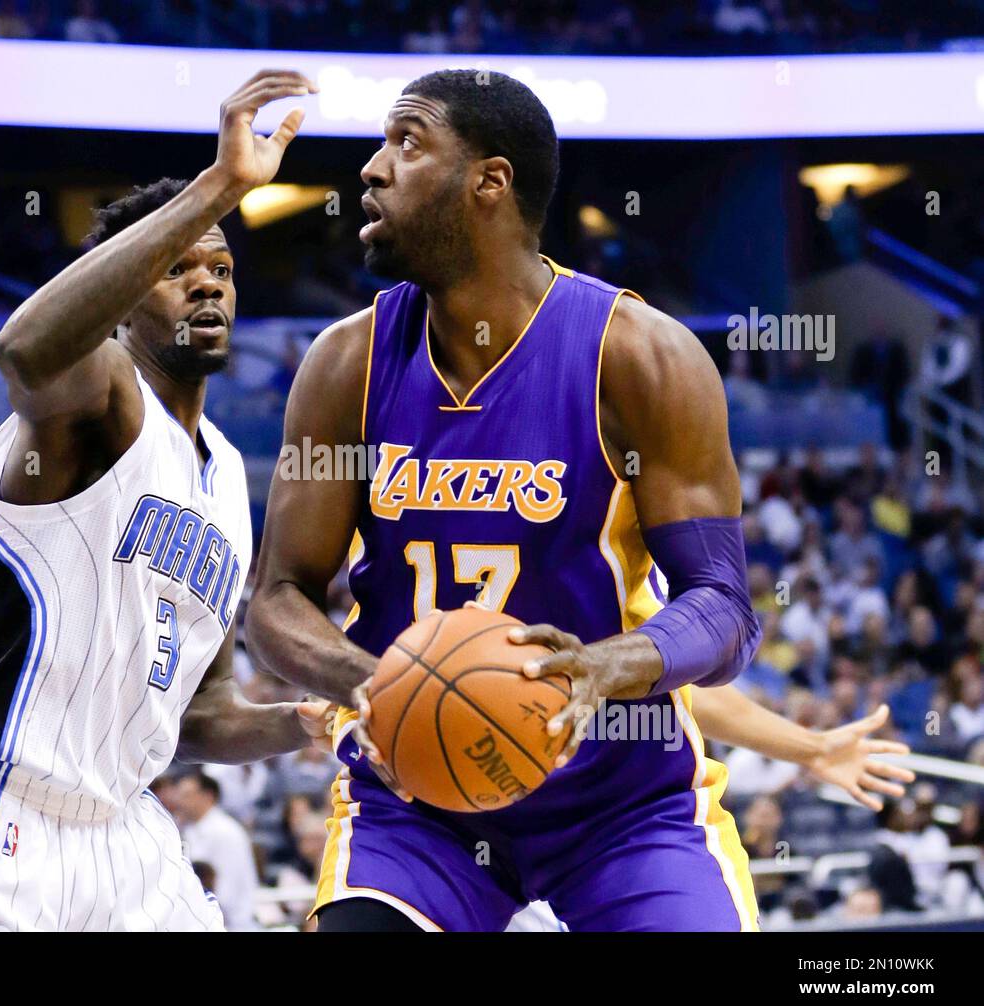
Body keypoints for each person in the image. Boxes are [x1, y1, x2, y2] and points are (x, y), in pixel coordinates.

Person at [248, 69, 770, 932]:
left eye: (406, 144)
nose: (371, 170)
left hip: (622, 806)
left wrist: (614, 663)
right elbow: (277, 598)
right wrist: (383, 682)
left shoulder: (640, 356)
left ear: (490, 181)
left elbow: (724, 609)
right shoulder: (346, 365)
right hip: (417, 804)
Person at [0, 71, 333, 932]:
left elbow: (197, 713)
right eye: (177, 268)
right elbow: (24, 353)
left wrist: (300, 725)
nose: (208, 285)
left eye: (223, 268)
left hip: (128, 829)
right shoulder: (100, 397)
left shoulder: (229, 473)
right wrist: (221, 187)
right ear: (123, 305)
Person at [177, 770, 259, 932]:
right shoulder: (189, 829)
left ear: (207, 796)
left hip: (231, 924)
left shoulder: (226, 832)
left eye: (187, 795)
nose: (180, 802)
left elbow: (227, 890)